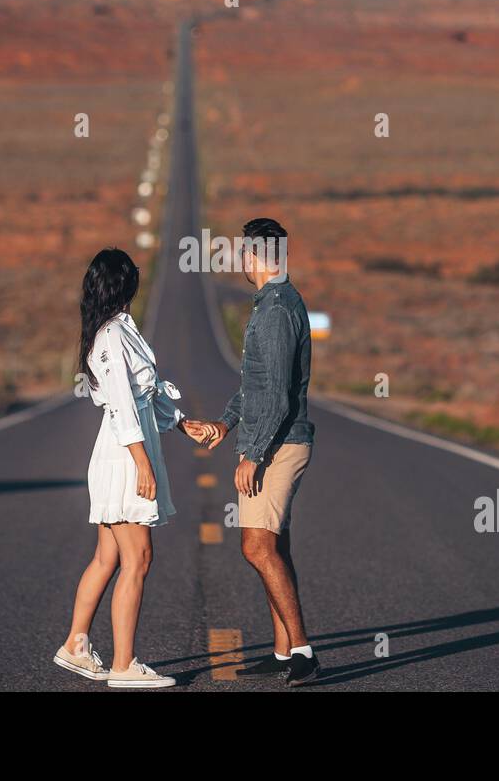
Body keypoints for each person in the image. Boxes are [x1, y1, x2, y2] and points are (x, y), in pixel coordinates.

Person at [54, 247, 201, 688]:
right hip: (124, 454)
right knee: (138, 558)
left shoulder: (116, 330)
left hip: (124, 449)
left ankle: (76, 646)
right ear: (125, 283)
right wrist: (143, 464)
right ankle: (123, 666)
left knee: (107, 557)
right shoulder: (113, 336)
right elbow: (121, 405)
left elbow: (144, 398)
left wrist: (181, 424)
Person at [186, 218, 321, 686]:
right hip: (273, 440)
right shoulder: (268, 304)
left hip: (280, 445)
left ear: (257, 257)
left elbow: (281, 396)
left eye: (244, 251)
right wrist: (225, 425)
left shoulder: (279, 309)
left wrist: (254, 454)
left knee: (256, 547)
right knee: (274, 545)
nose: (240, 259)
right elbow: (256, 388)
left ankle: (303, 650)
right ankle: (283, 650)